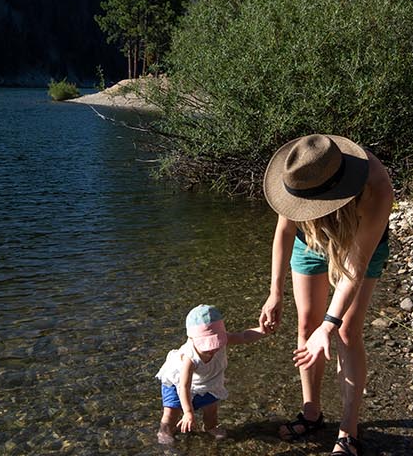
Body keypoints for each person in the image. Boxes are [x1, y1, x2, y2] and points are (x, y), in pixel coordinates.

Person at [258, 134, 395, 456]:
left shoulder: (376, 186)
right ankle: (311, 411)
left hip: (361, 245)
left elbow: (355, 266)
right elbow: (285, 232)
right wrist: (274, 292)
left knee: (347, 331)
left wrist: (330, 325)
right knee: (307, 324)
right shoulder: (299, 172)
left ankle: (349, 429)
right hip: (311, 241)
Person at [153, 304, 269, 444]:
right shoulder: (189, 357)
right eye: (206, 346)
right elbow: (183, 386)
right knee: (172, 412)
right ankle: (165, 431)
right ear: (191, 338)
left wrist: (262, 331)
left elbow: (243, 336)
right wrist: (188, 412)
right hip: (177, 383)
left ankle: (210, 427)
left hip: (208, 381)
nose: (212, 350)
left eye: (215, 343)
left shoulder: (222, 341)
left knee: (211, 410)